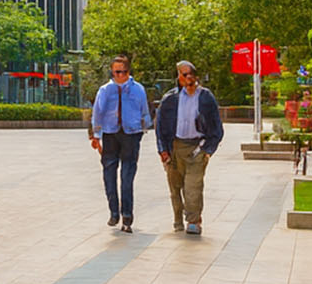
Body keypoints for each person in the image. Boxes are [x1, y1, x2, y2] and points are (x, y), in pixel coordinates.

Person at [156, 60, 224, 235]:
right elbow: (160, 127)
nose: (188, 77)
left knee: (193, 186)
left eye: (191, 73)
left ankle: (193, 221)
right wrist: (163, 150)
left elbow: (217, 128)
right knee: (175, 187)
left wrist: (208, 151)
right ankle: (178, 218)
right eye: (184, 74)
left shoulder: (206, 97)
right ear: (179, 77)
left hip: (197, 148)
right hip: (175, 147)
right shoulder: (170, 99)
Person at [89, 55, 151, 232]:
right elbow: (97, 113)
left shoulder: (138, 89)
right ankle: (113, 211)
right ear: (112, 72)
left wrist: (142, 131)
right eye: (117, 72)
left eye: (123, 72)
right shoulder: (105, 90)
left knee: (127, 176)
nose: (120, 75)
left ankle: (127, 214)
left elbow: (144, 111)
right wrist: (96, 135)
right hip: (110, 134)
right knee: (109, 173)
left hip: (131, 134)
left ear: (128, 72)